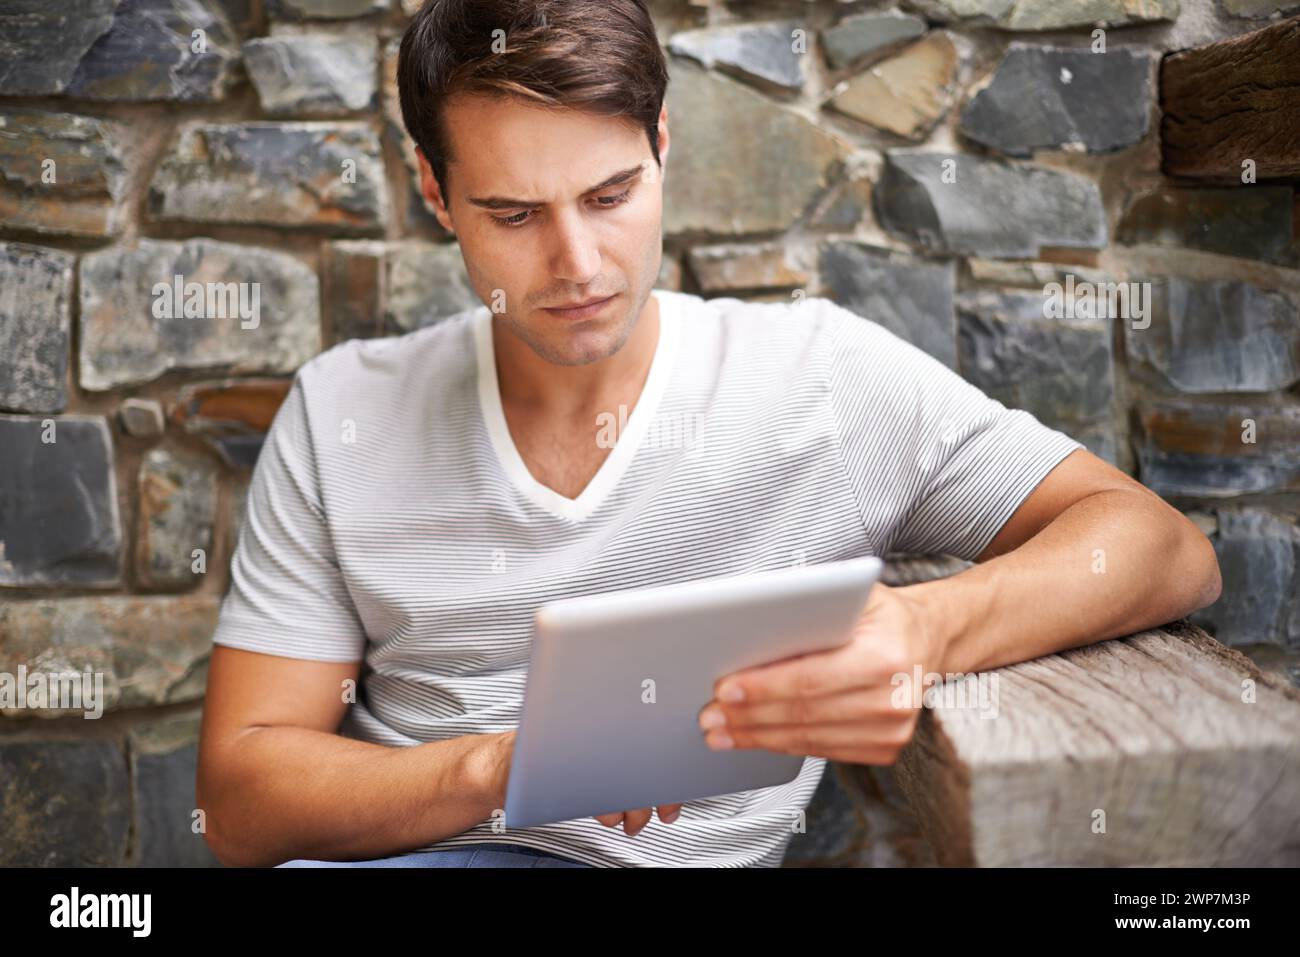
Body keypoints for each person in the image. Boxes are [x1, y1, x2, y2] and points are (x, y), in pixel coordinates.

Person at [195, 0, 1221, 869]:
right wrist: (510, 770)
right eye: (513, 214)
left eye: (611, 195)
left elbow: (1158, 546)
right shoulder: (341, 411)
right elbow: (241, 801)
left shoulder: (820, 380)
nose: (578, 261)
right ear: (435, 194)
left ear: (663, 148)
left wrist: (917, 632)